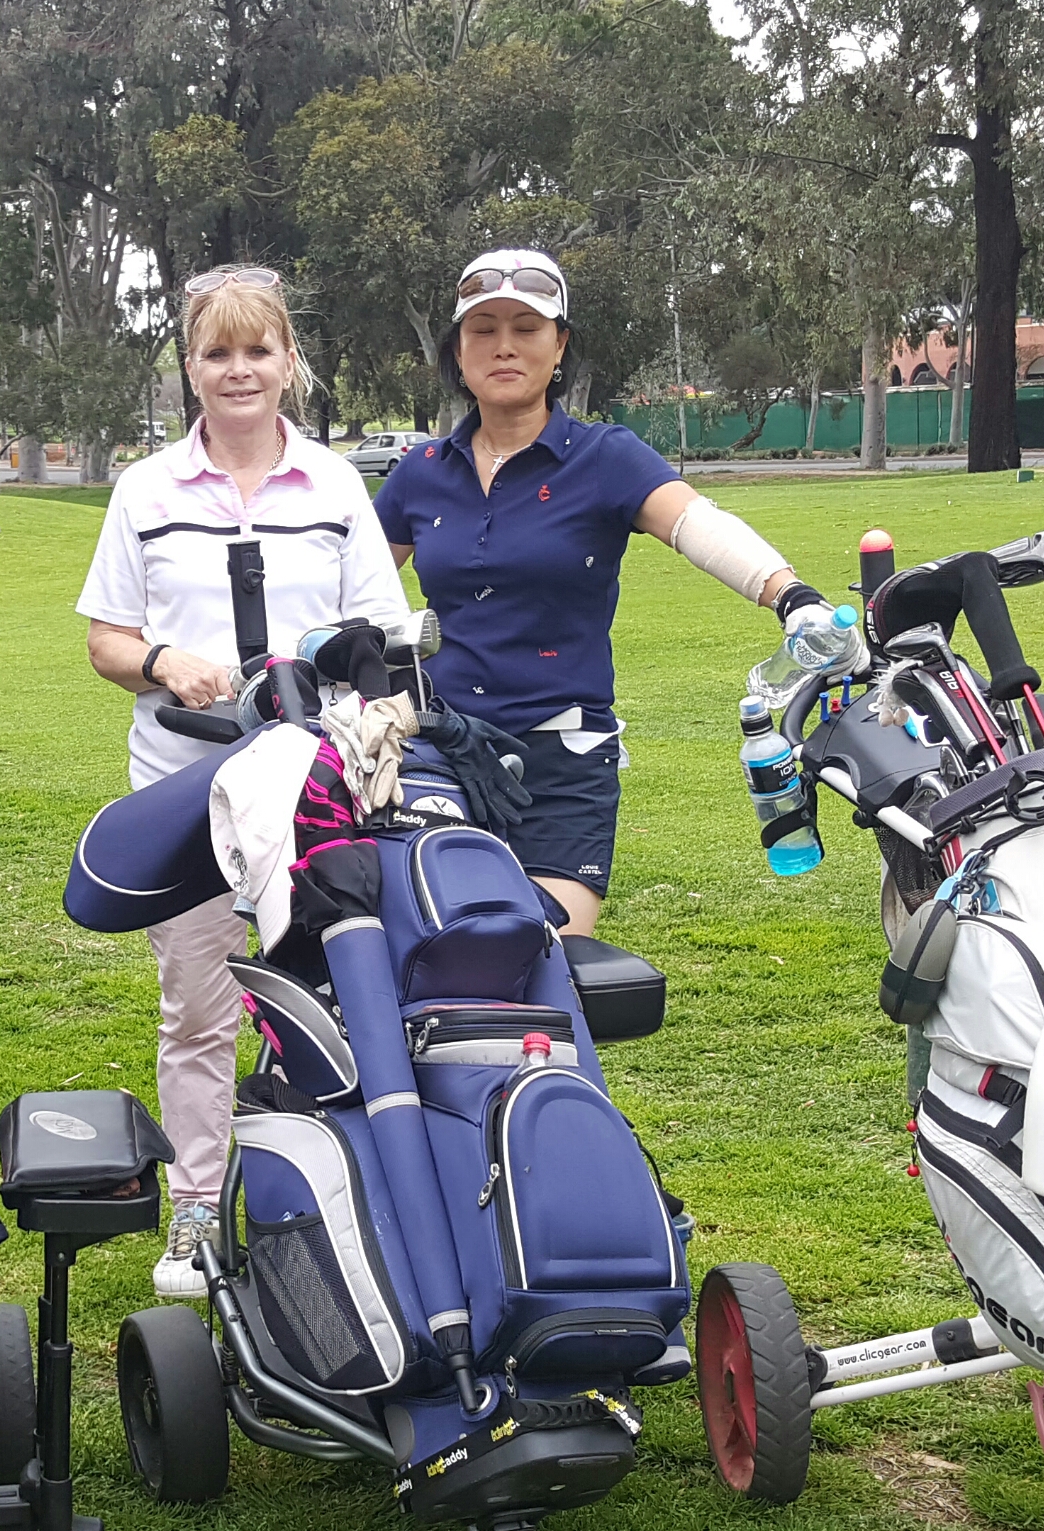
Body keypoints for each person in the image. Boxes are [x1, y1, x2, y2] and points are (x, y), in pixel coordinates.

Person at [78, 266, 407, 1298]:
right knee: (199, 1010)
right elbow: (104, 639)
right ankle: (194, 1214)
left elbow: (383, 635)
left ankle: (340, 1203)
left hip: (316, 789)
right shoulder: (145, 490)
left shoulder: (334, 484)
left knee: (340, 995)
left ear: (288, 364)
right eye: (216, 353)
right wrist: (166, 663)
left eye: (256, 351)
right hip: (189, 787)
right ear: (190, 368)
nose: (237, 371)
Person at [375, 248, 853, 935]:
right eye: (483, 329)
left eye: (526, 328)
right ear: (457, 349)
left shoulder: (605, 457)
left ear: (559, 344)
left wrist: (791, 596)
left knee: (545, 959)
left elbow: (695, 525)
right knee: (430, 956)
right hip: (439, 753)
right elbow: (345, 582)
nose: (503, 346)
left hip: (562, 760)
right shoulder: (420, 471)